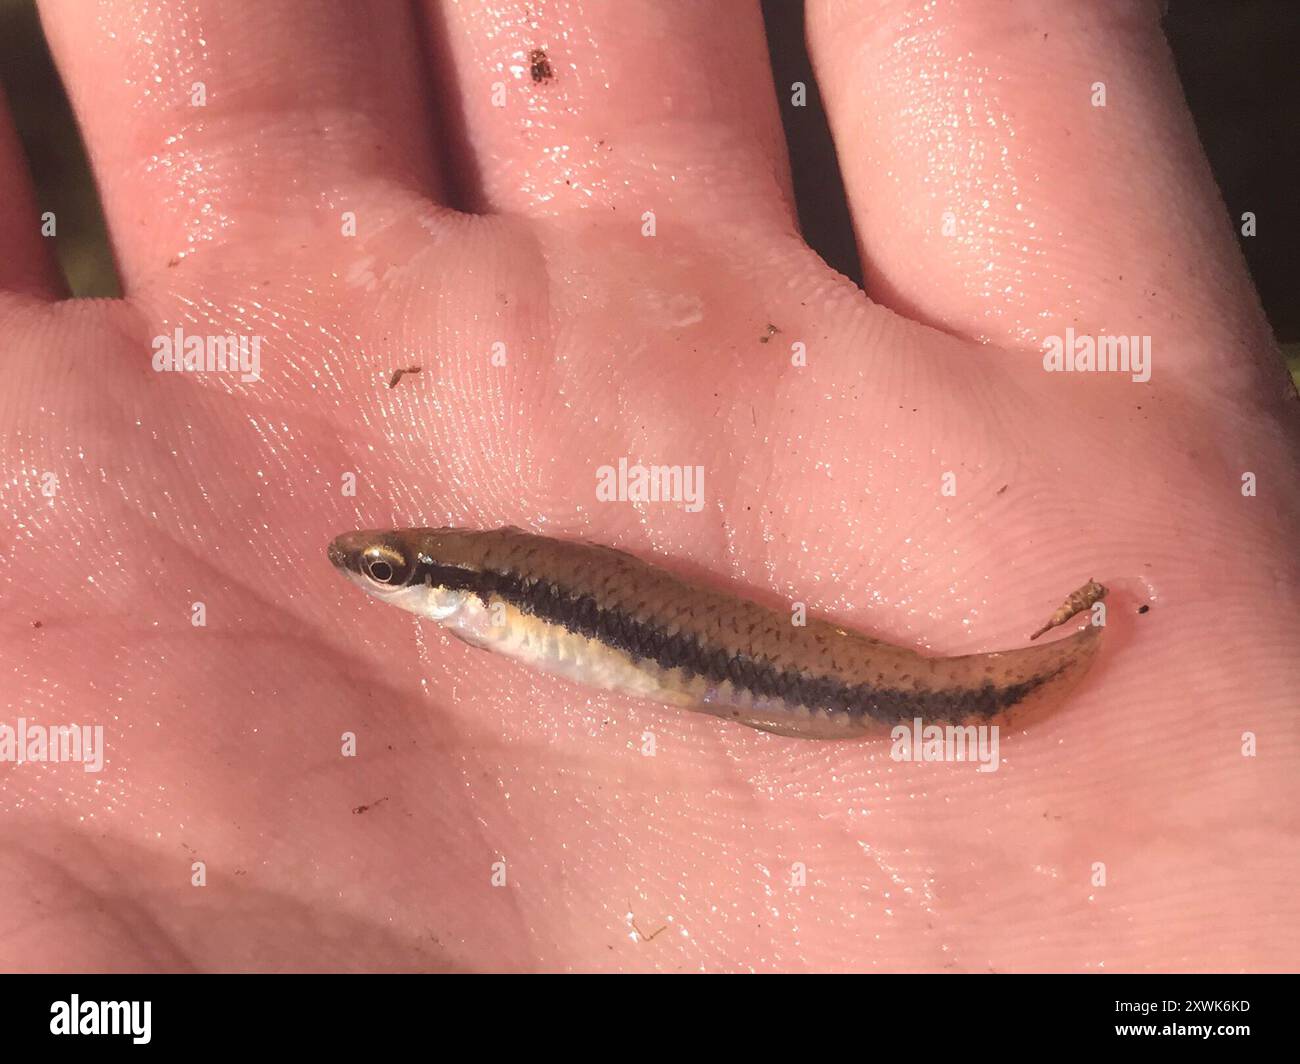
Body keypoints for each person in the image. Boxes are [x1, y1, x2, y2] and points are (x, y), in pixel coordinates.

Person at [1, 0, 1295, 972]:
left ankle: (1031, 677)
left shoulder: (497, 592)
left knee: (847, 689)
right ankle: (1026, 676)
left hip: (765, 670)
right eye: (392, 567)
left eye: (397, 569)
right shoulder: (485, 593)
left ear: (454, 578)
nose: (381, 576)